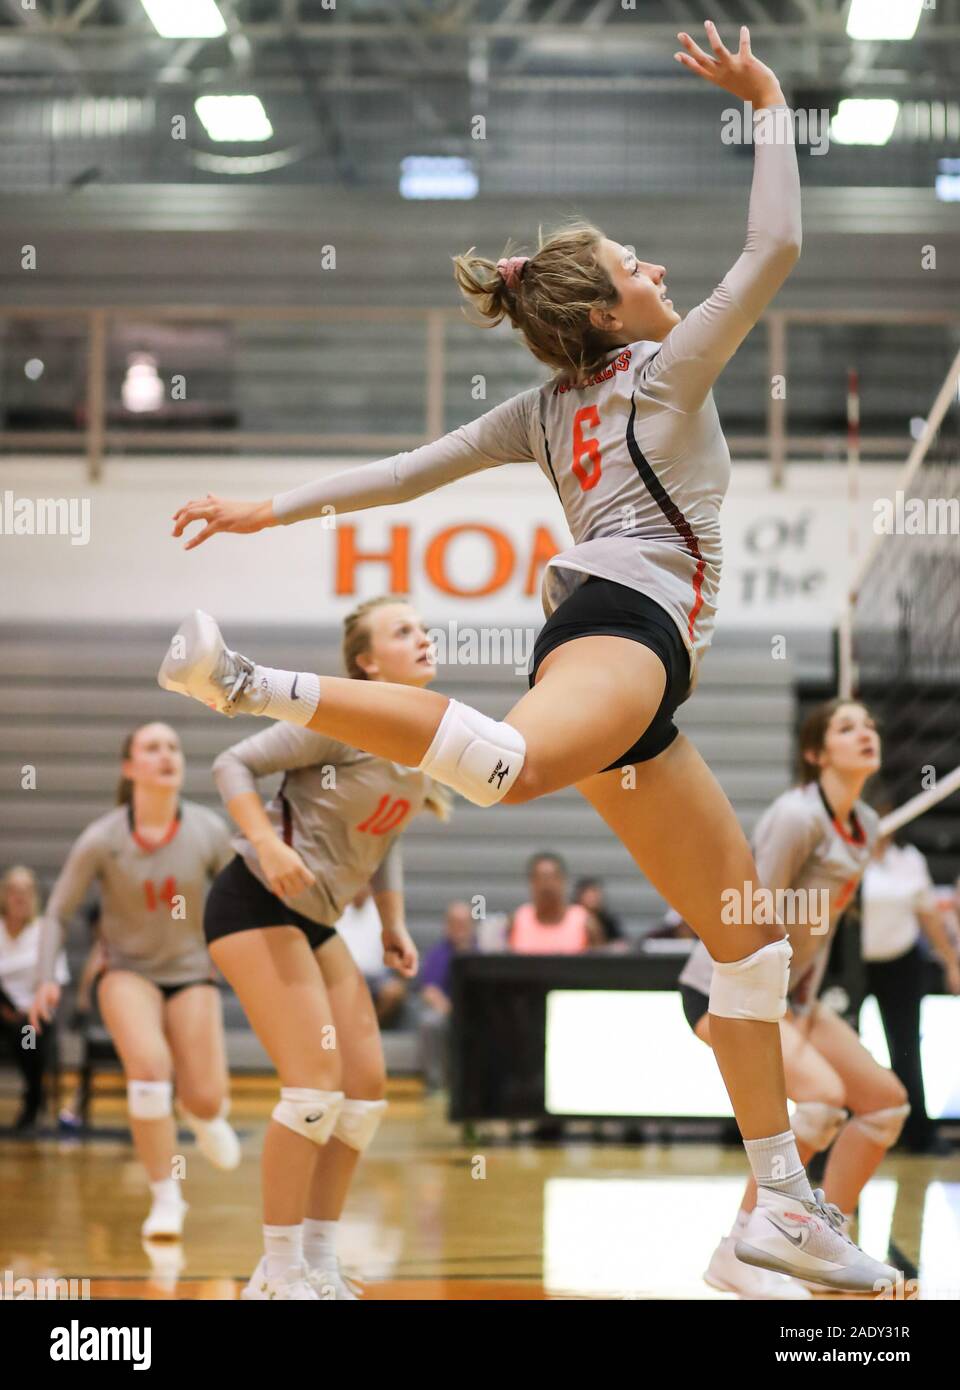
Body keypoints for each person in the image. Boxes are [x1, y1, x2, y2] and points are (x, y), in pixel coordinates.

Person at [157, 23, 899, 1291]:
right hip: (627, 632)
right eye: (633, 261)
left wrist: (261, 509)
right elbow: (775, 245)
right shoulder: (667, 369)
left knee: (746, 943)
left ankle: (773, 1205)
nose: (658, 267)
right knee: (496, 768)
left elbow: (399, 474)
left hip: (638, 686)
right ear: (611, 312)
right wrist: (770, 99)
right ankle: (248, 685)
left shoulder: (550, 406)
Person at [204, 596, 451, 1300]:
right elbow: (232, 763)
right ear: (367, 662)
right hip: (253, 902)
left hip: (316, 919)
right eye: (405, 631)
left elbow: (387, 833)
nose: (424, 639)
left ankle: (316, 1258)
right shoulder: (341, 717)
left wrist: (395, 922)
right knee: (313, 1085)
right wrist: (267, 843)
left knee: (365, 1090)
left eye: (425, 629)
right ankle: (276, 1273)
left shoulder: (423, 739)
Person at [679, 699, 909, 1297]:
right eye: (846, 726)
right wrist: (768, 1000)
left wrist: (805, 999)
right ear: (816, 752)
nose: (866, 732)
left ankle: (827, 1251)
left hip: (792, 995)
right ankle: (738, 1250)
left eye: (869, 723)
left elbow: (824, 924)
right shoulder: (796, 816)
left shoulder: (867, 822)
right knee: (822, 1103)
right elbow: (756, 907)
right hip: (725, 985)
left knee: (884, 1105)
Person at [29, 723, 239, 1239]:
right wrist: (44, 979)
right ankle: (167, 1198)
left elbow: (242, 900)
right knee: (149, 1069)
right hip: (126, 971)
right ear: (130, 768)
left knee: (207, 1098)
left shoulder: (209, 830)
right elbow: (56, 912)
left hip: (192, 973)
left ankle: (205, 1115)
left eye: (174, 745)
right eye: (152, 747)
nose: (166, 754)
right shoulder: (104, 839)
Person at [862, 812, 960, 1155]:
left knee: (906, 1047)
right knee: (849, 1047)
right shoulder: (845, 853)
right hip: (852, 965)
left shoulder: (908, 859)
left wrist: (951, 962)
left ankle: (917, 1133)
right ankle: (851, 1132)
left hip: (900, 962)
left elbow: (928, 914)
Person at [0, 866, 68, 1131]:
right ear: (4, 895)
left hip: (31, 1015)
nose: (20, 897)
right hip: (2, 1010)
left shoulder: (45, 934)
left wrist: (33, 1009)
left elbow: (55, 983)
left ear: (35, 896)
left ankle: (33, 1098)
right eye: (14, 891)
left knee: (27, 1037)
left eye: (26, 891)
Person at [418, 900, 475, 1091]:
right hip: (446, 1011)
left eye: (463, 923)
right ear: (447, 925)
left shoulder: (480, 952)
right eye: (454, 923)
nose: (459, 929)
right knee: (430, 1022)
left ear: (471, 926)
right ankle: (437, 1084)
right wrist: (450, 1009)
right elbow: (429, 990)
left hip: (476, 1012)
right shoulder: (438, 954)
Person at [338, 885, 410, 1029]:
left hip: (378, 977)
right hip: (345, 975)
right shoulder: (338, 908)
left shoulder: (384, 911)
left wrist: (401, 978)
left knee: (393, 991)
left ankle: (369, 1027)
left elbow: (400, 947)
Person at [508, 852, 599, 954]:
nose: (546, 885)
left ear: (563, 880)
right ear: (531, 882)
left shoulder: (586, 923)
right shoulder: (517, 920)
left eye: (552, 878)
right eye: (540, 878)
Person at [573, 876, 624, 943]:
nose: (592, 898)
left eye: (594, 893)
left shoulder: (608, 921)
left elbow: (620, 942)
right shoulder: (571, 920)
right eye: (588, 894)